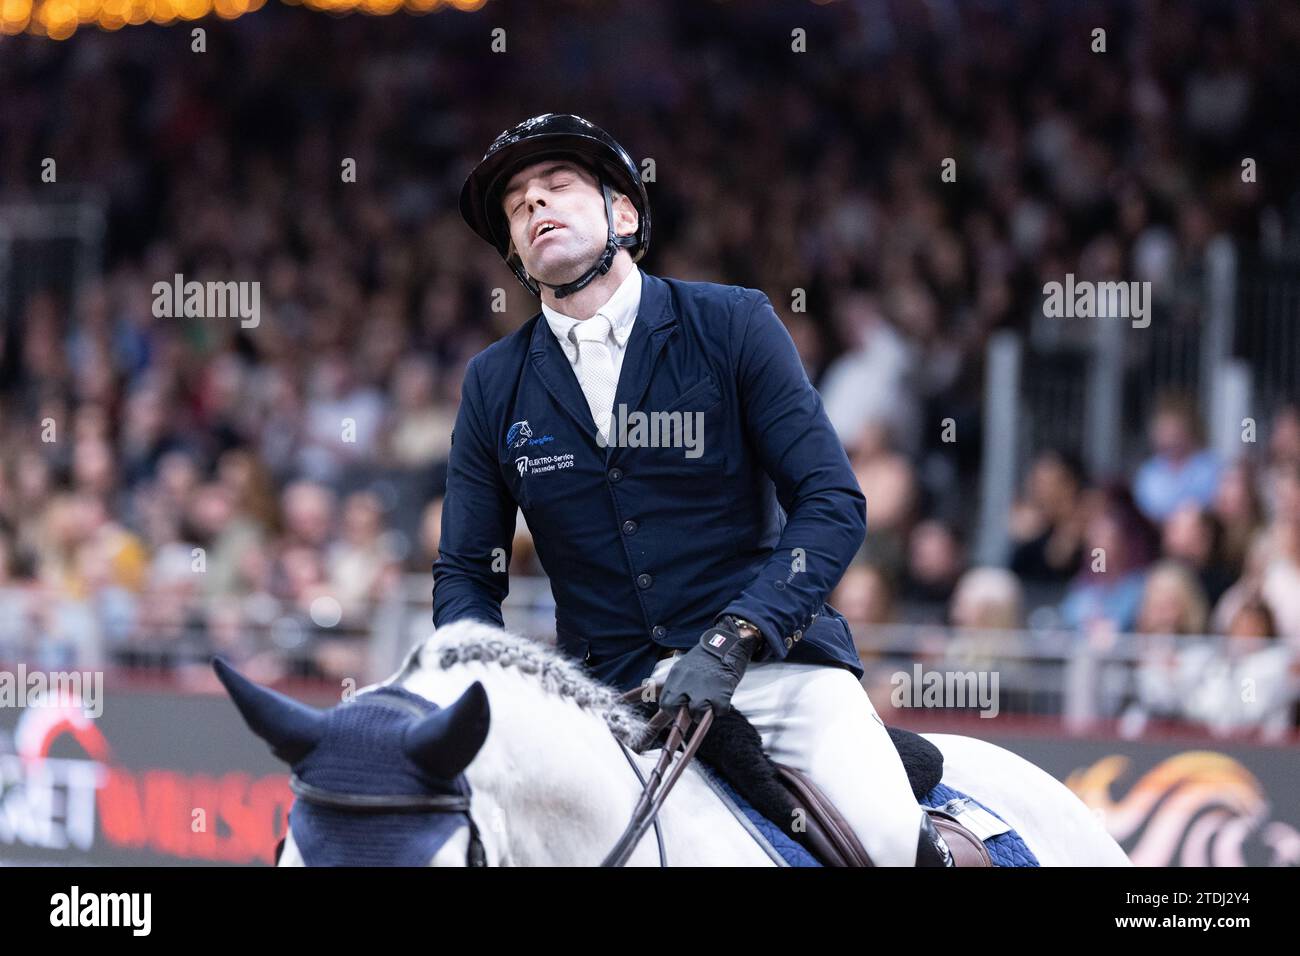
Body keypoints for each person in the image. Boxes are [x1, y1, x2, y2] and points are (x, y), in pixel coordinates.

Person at [436, 113, 947, 865]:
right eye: (517, 206)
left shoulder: (732, 323)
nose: (535, 207)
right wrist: (485, 688)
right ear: (513, 250)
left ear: (624, 213)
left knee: (891, 839)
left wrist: (736, 635)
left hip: (776, 678)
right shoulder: (493, 383)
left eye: (557, 187)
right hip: (607, 707)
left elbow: (832, 503)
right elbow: (464, 575)